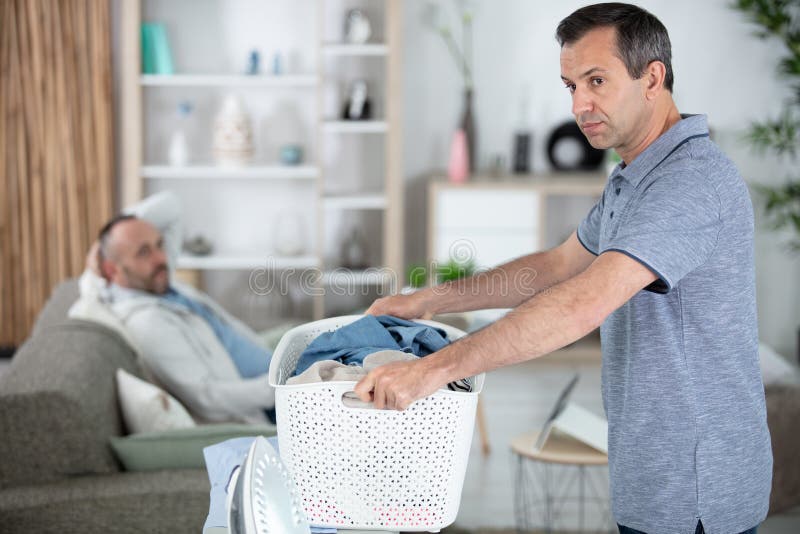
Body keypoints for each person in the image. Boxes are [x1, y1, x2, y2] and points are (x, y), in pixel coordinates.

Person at [354, 3, 771, 534]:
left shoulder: (688, 183)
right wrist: (426, 301)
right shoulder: (635, 176)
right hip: (651, 475)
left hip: (696, 490)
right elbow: (557, 266)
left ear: (652, 78)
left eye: (596, 81)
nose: (579, 105)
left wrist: (431, 371)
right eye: (571, 86)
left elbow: (581, 304)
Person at [78, 191, 276, 424]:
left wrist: (105, 240)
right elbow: (207, 398)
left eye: (159, 244)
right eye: (143, 252)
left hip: (277, 367)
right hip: (274, 402)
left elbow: (171, 206)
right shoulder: (148, 322)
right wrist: (284, 387)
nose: (161, 258)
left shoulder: (155, 280)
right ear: (112, 270)